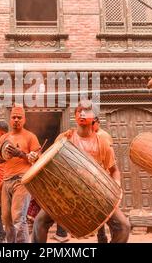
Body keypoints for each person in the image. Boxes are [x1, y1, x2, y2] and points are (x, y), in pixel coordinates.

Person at [32, 100, 131, 243]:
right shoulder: (65, 138)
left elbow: (114, 170)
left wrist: (116, 186)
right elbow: (49, 164)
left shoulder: (102, 142)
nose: (83, 113)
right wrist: (37, 159)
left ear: (95, 118)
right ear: (75, 115)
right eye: (79, 111)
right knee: (39, 222)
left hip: (96, 192)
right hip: (65, 193)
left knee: (123, 226)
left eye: (87, 111)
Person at [0, 104, 41, 243]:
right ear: (10, 119)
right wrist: (5, 155)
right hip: (6, 181)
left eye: (19, 117)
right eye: (14, 117)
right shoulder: (5, 138)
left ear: (24, 120)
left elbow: (38, 157)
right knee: (6, 219)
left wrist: (20, 154)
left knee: (18, 218)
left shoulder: (30, 137)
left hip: (22, 180)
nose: (16, 120)